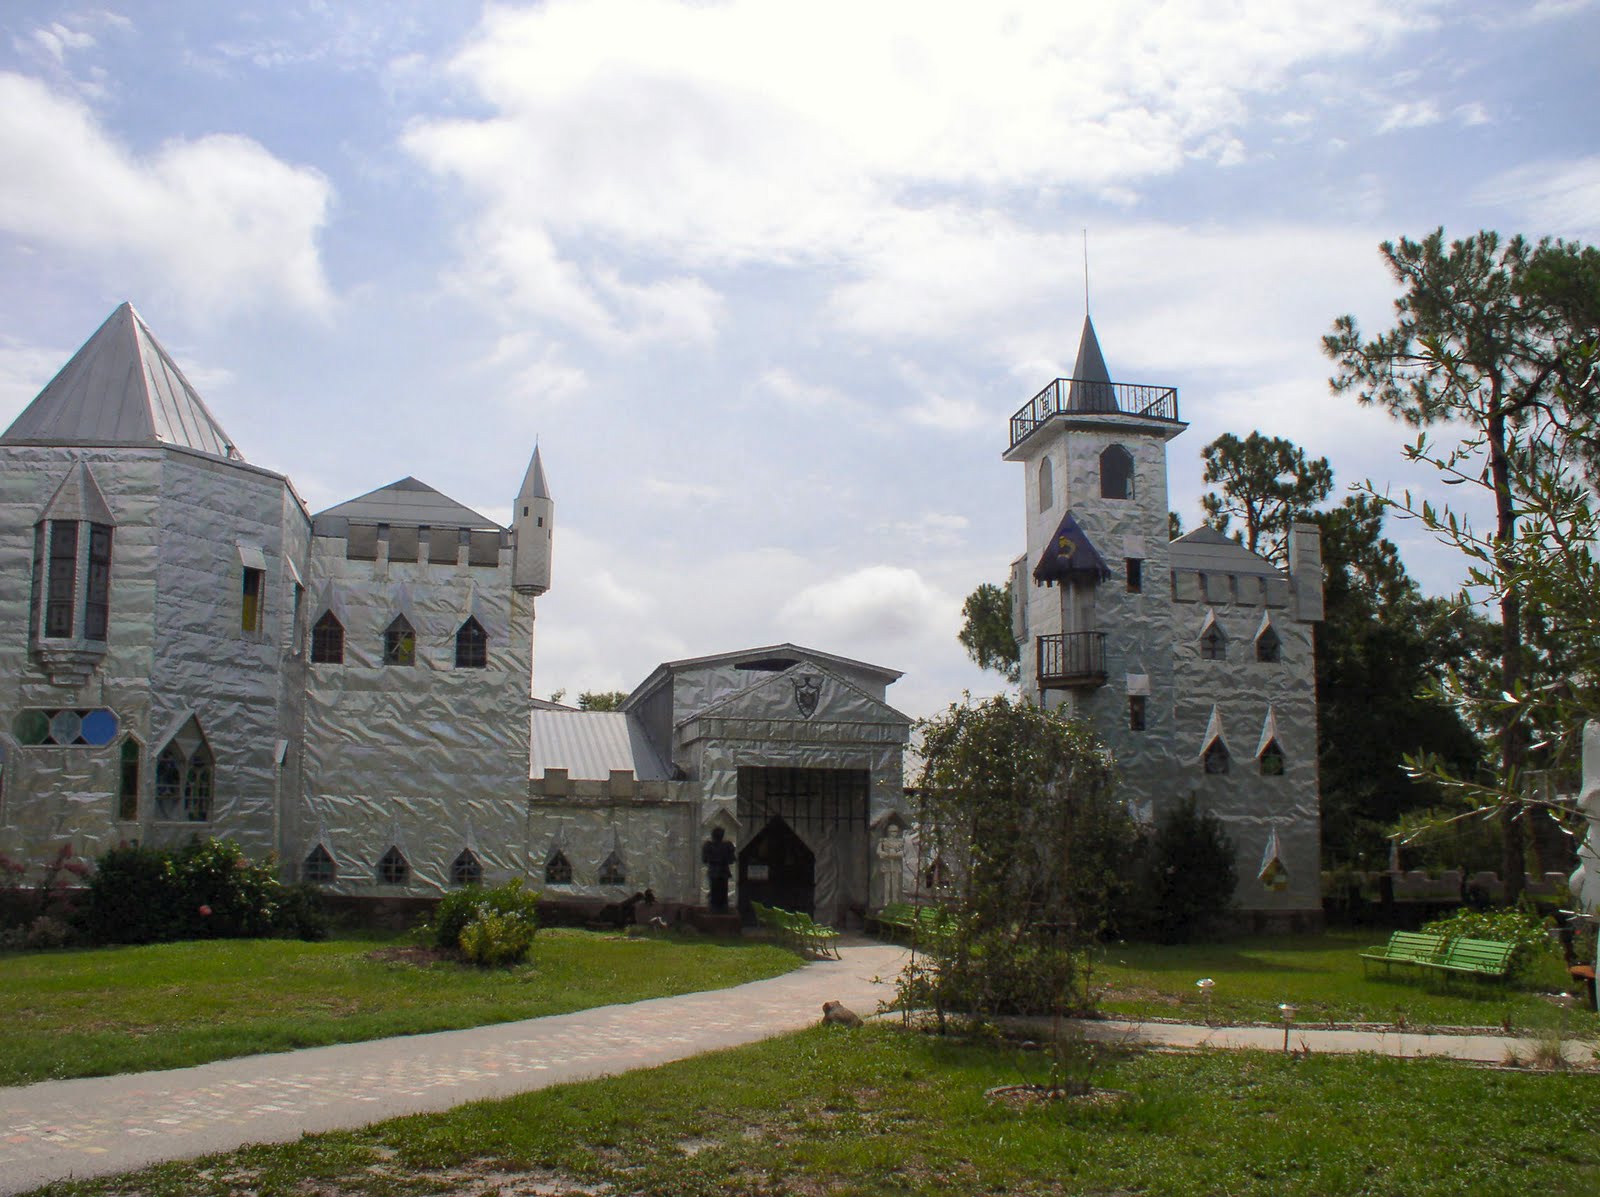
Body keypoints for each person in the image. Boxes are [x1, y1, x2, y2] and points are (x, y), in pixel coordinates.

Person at [701, 826, 736, 911]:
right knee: (721, 892)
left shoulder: (709, 846)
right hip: (721, 872)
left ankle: (717, 907)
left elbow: (705, 860)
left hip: (716, 872)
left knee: (717, 892)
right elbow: (732, 860)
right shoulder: (726, 846)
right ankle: (719, 907)